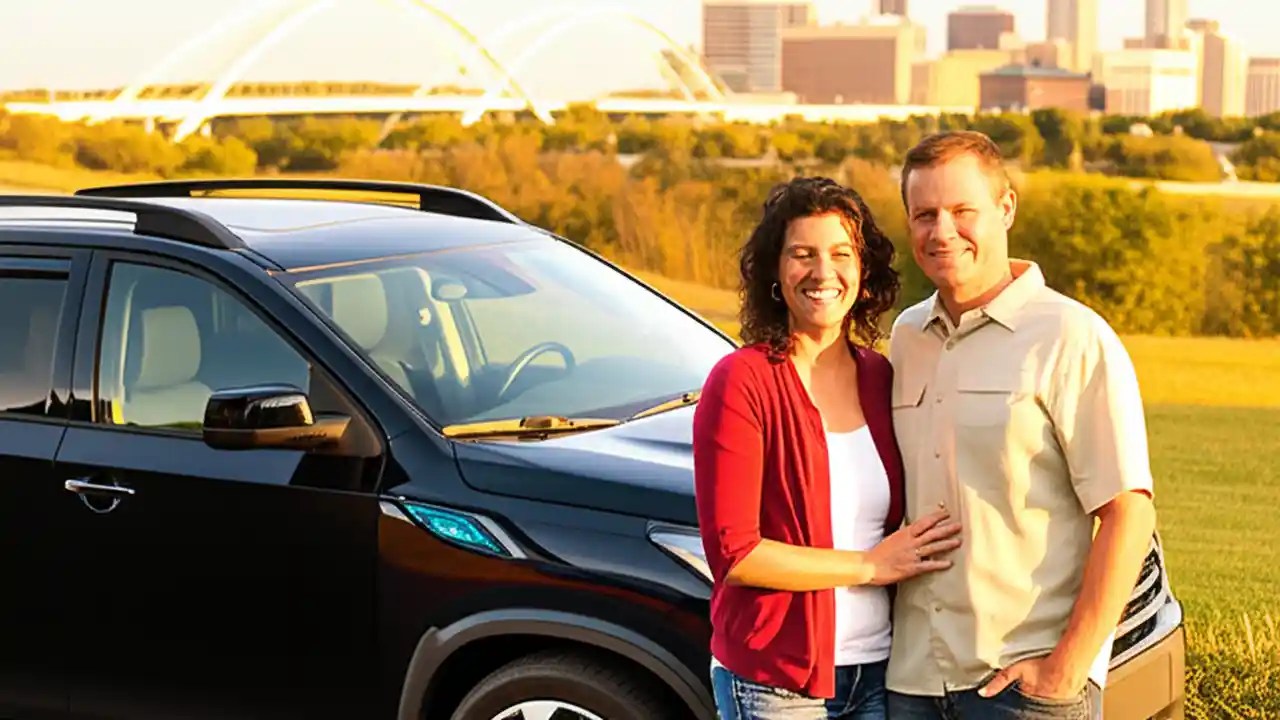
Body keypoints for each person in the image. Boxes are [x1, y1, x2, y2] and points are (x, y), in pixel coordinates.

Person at [884, 130, 1158, 719]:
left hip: (1022, 691)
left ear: (1005, 208)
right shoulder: (905, 337)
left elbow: (1128, 511)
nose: (942, 231)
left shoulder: (1071, 336)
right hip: (910, 683)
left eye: (962, 211)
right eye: (924, 214)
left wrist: (1067, 670)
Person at [693, 176, 963, 720]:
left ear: (863, 274)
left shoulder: (880, 377)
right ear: (775, 271)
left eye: (841, 254)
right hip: (777, 681)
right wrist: (869, 566)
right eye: (802, 254)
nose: (822, 273)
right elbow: (736, 554)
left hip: (883, 670)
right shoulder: (742, 381)